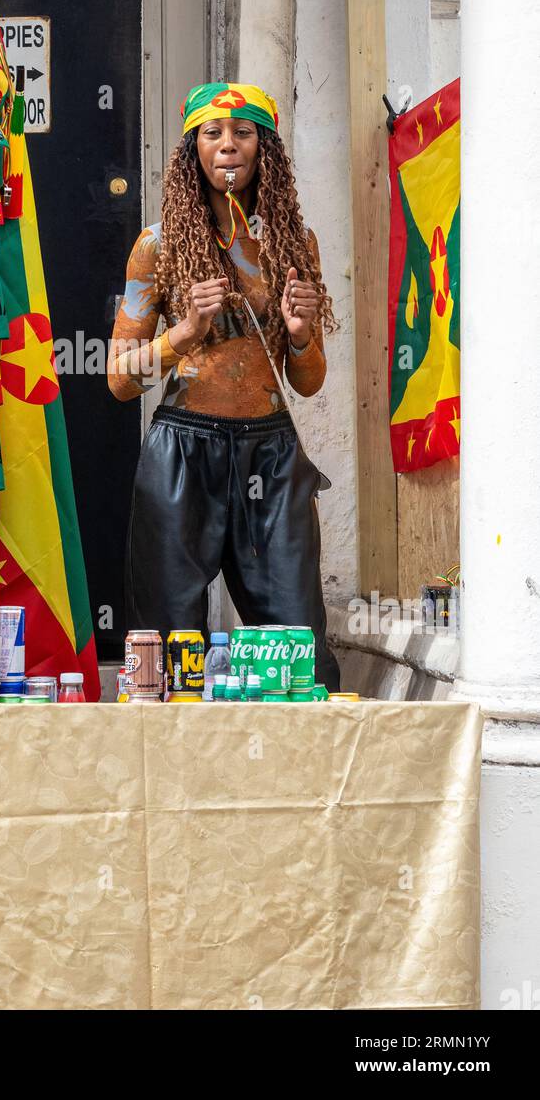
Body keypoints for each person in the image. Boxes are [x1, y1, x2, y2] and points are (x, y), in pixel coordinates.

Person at [107, 82, 340, 690]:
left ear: (265, 150)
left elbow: (308, 383)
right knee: (162, 641)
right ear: (193, 150)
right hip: (184, 451)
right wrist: (183, 333)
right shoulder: (155, 248)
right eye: (213, 134)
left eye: (243, 134)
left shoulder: (295, 243)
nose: (229, 146)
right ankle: (165, 773)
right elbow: (119, 380)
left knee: (298, 643)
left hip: (271, 449)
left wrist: (298, 334)